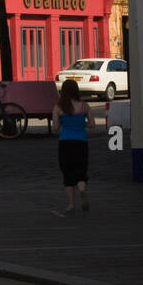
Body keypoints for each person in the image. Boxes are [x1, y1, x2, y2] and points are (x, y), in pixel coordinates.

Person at [52, 78, 94, 216]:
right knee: (81, 170)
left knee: (67, 172)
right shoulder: (84, 106)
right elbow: (92, 125)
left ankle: (70, 205)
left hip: (65, 143)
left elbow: (56, 128)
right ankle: (82, 189)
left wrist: (65, 124)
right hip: (81, 142)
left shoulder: (58, 107)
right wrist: (81, 124)